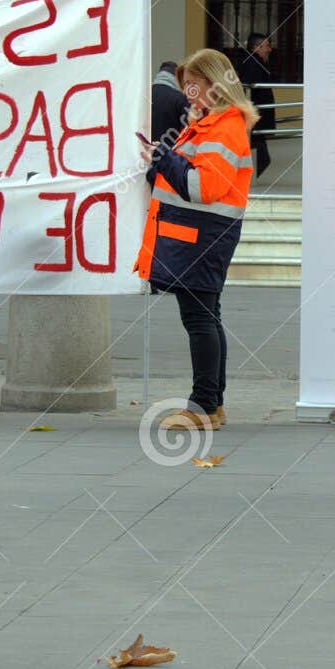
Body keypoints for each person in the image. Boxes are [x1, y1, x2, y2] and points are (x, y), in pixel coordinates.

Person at [135, 49, 257, 431]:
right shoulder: (211, 124)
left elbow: (201, 187)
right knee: (206, 317)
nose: (188, 95)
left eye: (193, 87)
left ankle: (202, 407)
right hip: (200, 236)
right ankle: (212, 405)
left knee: (200, 320)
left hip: (201, 239)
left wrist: (161, 159)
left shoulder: (223, 127)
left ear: (214, 85)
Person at [236, 33, 274, 178]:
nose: (269, 49)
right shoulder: (253, 64)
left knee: (260, 157)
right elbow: (251, 92)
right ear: (256, 48)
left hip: (256, 120)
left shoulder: (254, 63)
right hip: (256, 121)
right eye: (267, 46)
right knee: (261, 158)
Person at [151, 60, 191, 145]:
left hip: (143, 151)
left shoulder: (143, 94)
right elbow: (186, 131)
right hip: (169, 154)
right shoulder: (181, 98)